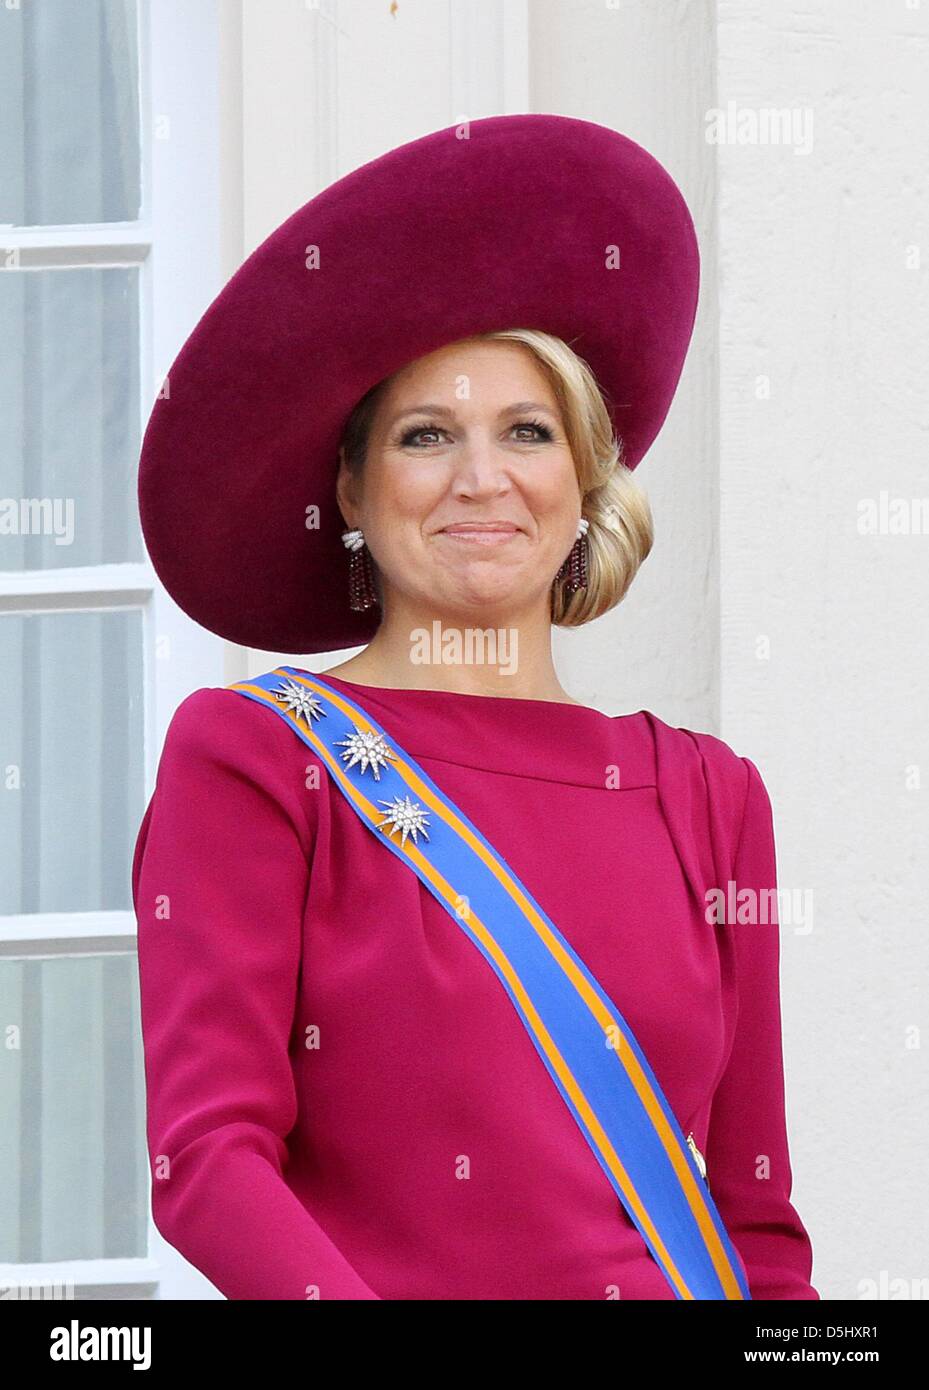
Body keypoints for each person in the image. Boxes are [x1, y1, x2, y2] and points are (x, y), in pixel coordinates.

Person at [133, 114, 819, 1300]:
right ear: (351, 487)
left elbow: (755, 1221)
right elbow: (207, 1159)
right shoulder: (252, 756)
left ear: (583, 477)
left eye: (527, 431)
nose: (480, 476)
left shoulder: (710, 796)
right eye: (424, 435)